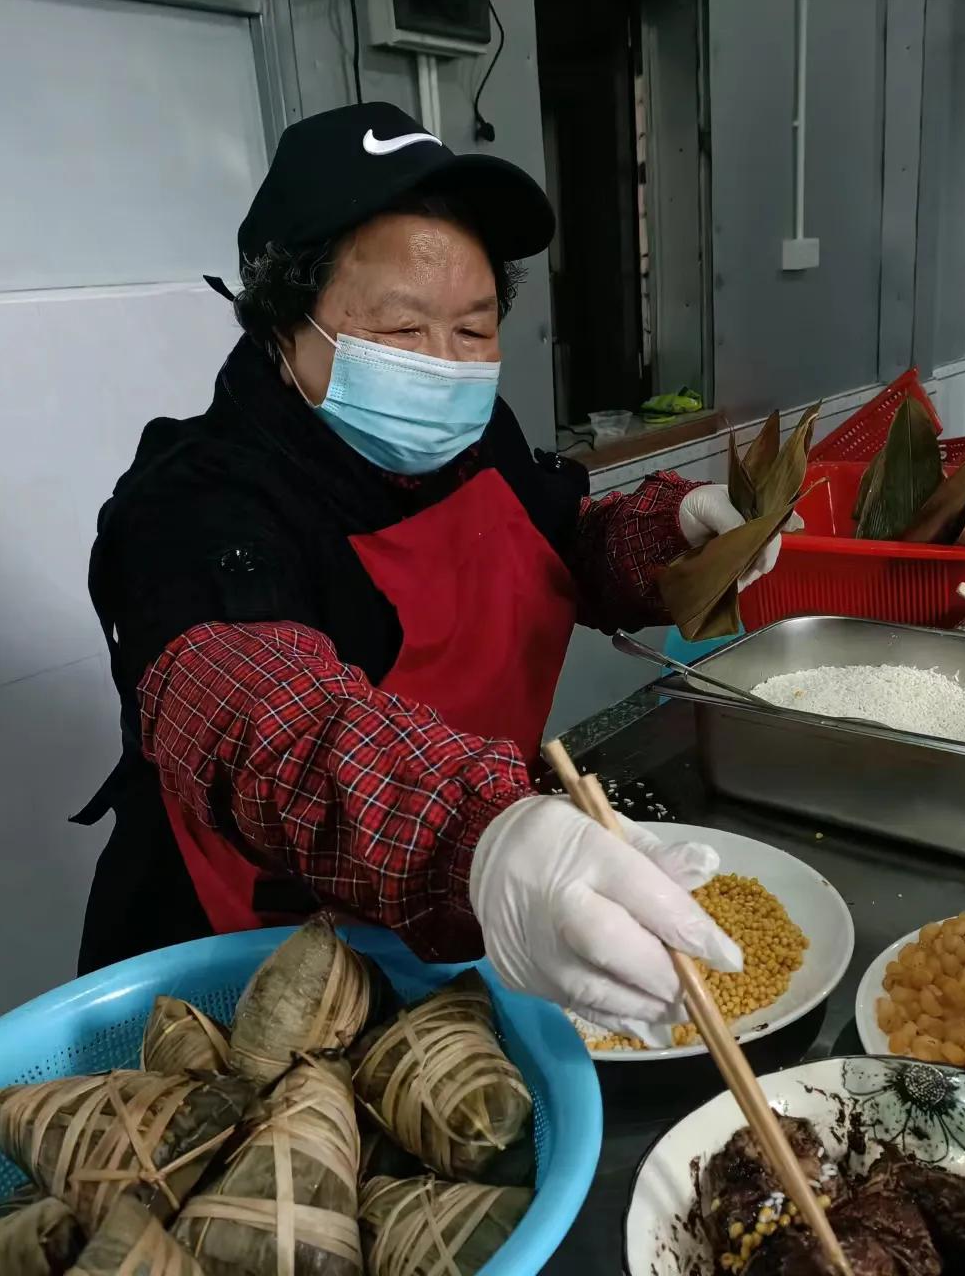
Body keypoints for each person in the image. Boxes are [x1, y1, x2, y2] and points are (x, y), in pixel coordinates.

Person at [74, 102, 790, 1039]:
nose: (448, 367)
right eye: (406, 333)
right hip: (251, 976)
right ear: (283, 319)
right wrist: (483, 839)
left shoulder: (468, 431)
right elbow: (266, 715)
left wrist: (671, 539)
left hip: (461, 920)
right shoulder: (194, 502)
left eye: (474, 327)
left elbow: (554, 542)